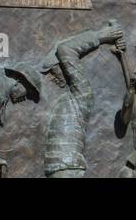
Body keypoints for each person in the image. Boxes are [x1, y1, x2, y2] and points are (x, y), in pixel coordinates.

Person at [42, 23, 125, 179]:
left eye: (54, 69)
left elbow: (65, 49)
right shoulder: (65, 99)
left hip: (67, 168)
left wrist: (101, 36)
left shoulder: (81, 94)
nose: (52, 77)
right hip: (60, 169)